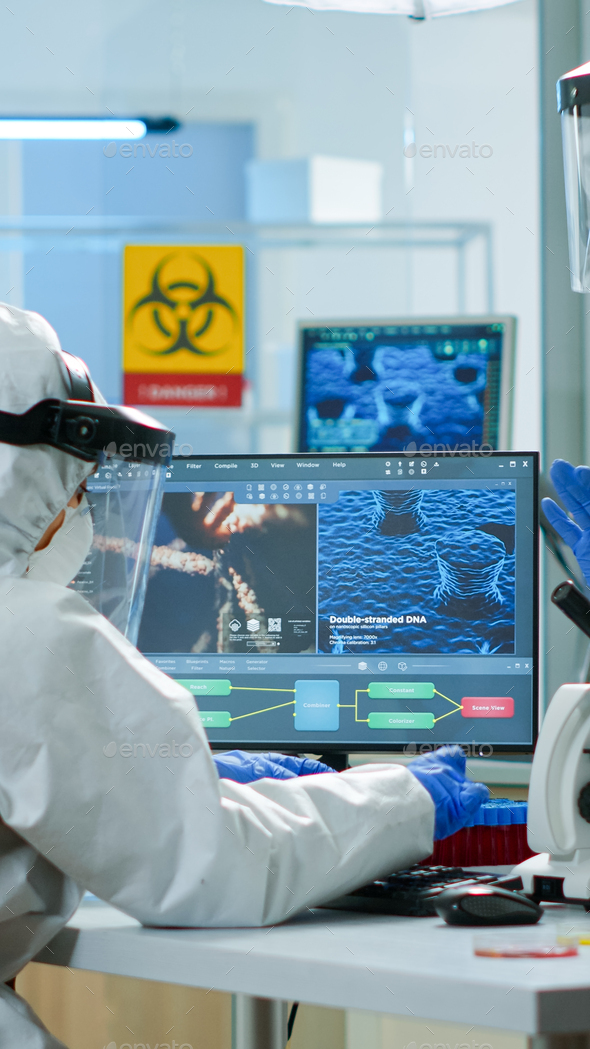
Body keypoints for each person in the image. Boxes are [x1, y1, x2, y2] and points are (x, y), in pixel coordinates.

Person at [0, 303, 487, 1048]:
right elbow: (214, 870)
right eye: (75, 483)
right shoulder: (23, 631)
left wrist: (173, 774)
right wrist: (403, 797)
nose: (77, 508)